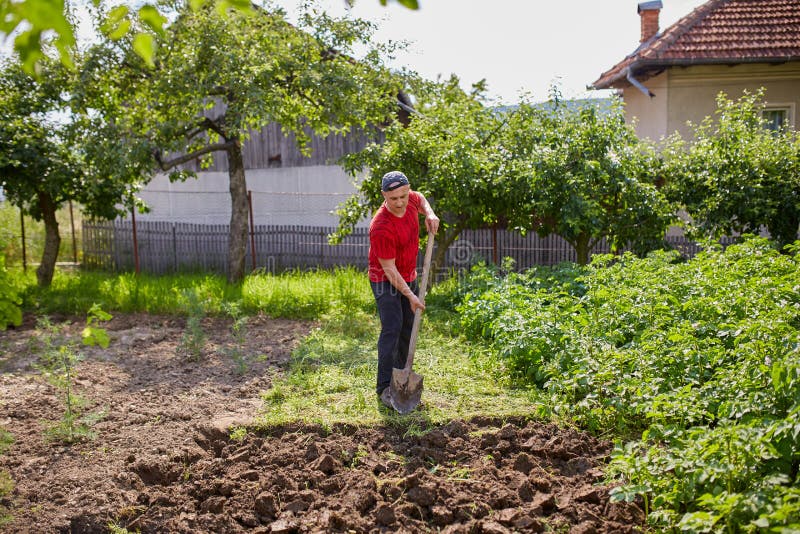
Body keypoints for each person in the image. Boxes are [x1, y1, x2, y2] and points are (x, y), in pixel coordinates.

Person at [369, 170, 439, 408]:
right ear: (384, 196)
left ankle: (401, 376)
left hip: (408, 274)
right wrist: (410, 295)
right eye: (393, 198)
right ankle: (384, 387)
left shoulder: (411, 200)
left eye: (403, 196)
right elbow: (388, 269)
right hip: (384, 279)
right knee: (392, 327)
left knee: (408, 327)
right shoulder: (380, 227)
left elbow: (420, 199)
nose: (400, 203)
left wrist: (430, 214)